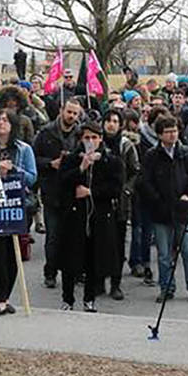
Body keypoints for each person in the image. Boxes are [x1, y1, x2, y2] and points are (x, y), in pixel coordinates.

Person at [138, 115, 188, 303]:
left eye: (174, 131)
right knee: (164, 254)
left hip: (184, 211)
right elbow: (145, 181)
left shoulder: (187, 153)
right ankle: (166, 287)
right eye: (167, 132)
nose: (172, 135)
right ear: (159, 135)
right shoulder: (152, 156)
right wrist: (157, 200)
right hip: (161, 212)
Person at [57, 121, 123, 312]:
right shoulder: (71, 159)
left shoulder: (110, 160)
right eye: (87, 138)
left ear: (100, 139)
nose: (91, 141)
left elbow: (115, 187)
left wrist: (92, 192)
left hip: (99, 216)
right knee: (70, 259)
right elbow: (62, 183)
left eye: (94, 137)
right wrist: (81, 168)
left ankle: (89, 298)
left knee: (94, 258)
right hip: (74, 216)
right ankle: (67, 298)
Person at [0, 110, 37, 317]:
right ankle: (1, 300)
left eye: (6, 120)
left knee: (13, 253)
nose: (1, 123)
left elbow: (32, 178)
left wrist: (13, 170)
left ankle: (7, 296)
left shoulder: (24, 150)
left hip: (16, 205)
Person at [33, 98, 83, 288]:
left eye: (75, 113)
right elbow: (34, 158)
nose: (71, 116)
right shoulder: (46, 133)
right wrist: (50, 164)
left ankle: (75, 272)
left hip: (73, 191)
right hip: (52, 191)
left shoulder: (80, 134)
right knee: (53, 236)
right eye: (69, 112)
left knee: (75, 237)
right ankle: (51, 272)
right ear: (62, 110)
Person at [102, 108, 140, 300]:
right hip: (99, 200)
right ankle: (98, 280)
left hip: (120, 203)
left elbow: (135, 171)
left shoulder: (126, 146)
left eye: (115, 121)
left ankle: (115, 284)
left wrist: (127, 189)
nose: (111, 124)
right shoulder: (96, 142)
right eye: (108, 120)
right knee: (99, 242)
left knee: (117, 244)